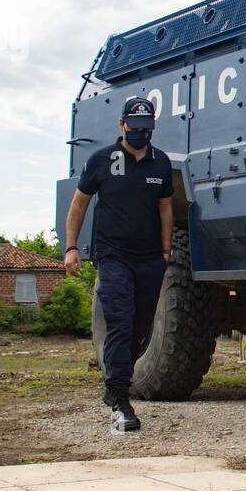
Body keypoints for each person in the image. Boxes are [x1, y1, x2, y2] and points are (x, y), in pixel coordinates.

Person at [63, 97, 174, 431]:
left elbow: (166, 208)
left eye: (147, 128)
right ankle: (119, 398)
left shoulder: (161, 163)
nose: (141, 133)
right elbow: (78, 205)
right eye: (136, 127)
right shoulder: (101, 161)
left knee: (141, 330)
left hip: (150, 260)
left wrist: (166, 252)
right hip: (113, 257)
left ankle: (117, 388)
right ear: (122, 125)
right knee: (120, 322)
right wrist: (71, 247)